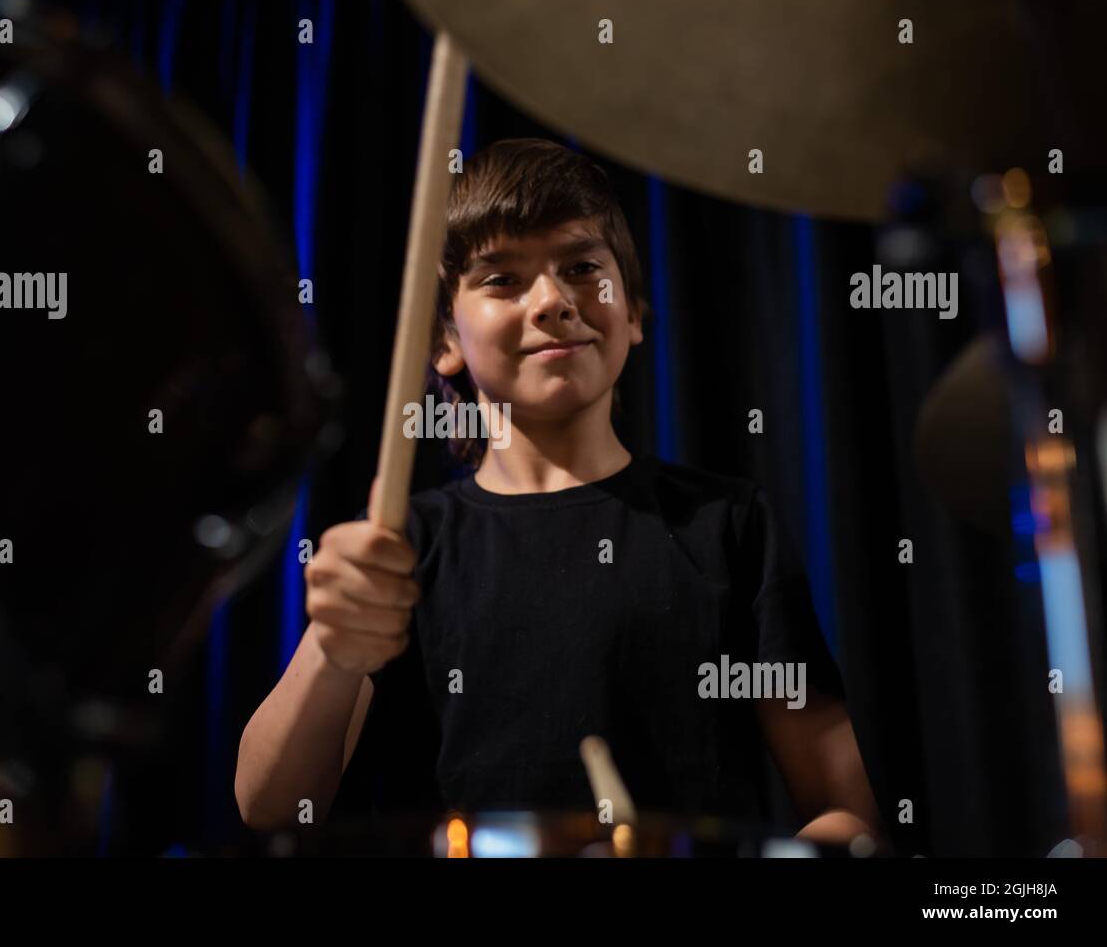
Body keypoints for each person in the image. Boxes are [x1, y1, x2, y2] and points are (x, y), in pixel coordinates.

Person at [235, 138, 883, 846]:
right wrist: (335, 646)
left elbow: (845, 811)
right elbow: (270, 806)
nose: (552, 300)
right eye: (502, 279)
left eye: (581, 268)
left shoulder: (728, 524)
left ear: (632, 311)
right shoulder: (401, 541)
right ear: (443, 338)